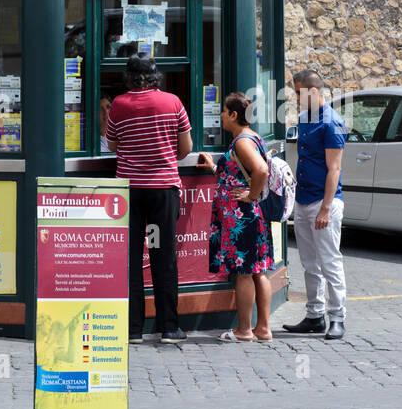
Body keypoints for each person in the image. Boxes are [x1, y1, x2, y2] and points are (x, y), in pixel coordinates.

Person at [106, 54, 192, 344]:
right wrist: (163, 157)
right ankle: (169, 327)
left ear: (129, 76)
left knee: (130, 259)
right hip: (162, 193)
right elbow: (185, 147)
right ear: (155, 76)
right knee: (162, 257)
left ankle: (133, 330)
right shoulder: (172, 102)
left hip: (130, 193)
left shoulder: (118, 105)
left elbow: (113, 145)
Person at [197, 92, 275, 342]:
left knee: (243, 273)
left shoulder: (241, 141)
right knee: (259, 271)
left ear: (233, 114)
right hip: (252, 215)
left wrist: (251, 196)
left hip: (241, 216)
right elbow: (238, 174)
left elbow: (261, 169)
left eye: (223, 111)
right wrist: (213, 167)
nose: (220, 115)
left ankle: (243, 330)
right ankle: (262, 328)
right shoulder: (253, 138)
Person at [282, 69, 347, 339]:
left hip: (324, 202)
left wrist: (325, 208)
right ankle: (314, 315)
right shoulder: (306, 118)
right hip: (304, 199)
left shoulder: (331, 122)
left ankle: (338, 317)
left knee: (330, 262)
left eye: (299, 93)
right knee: (309, 262)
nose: (295, 98)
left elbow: (335, 169)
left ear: (314, 92)